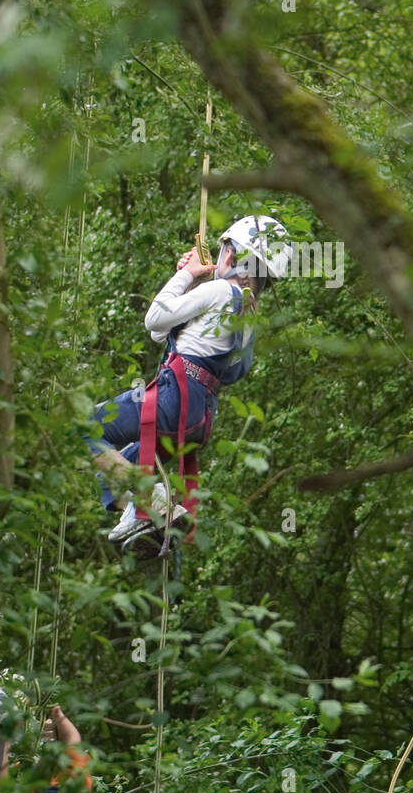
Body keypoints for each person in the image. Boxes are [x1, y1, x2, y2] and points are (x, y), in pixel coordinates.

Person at [86, 215, 290, 555]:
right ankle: (145, 518)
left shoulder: (221, 290)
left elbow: (152, 319)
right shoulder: (247, 314)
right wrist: (188, 284)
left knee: (89, 427)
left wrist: (187, 273)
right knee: (117, 463)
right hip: (199, 415)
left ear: (231, 254)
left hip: (173, 399)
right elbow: (161, 332)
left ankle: (154, 503)